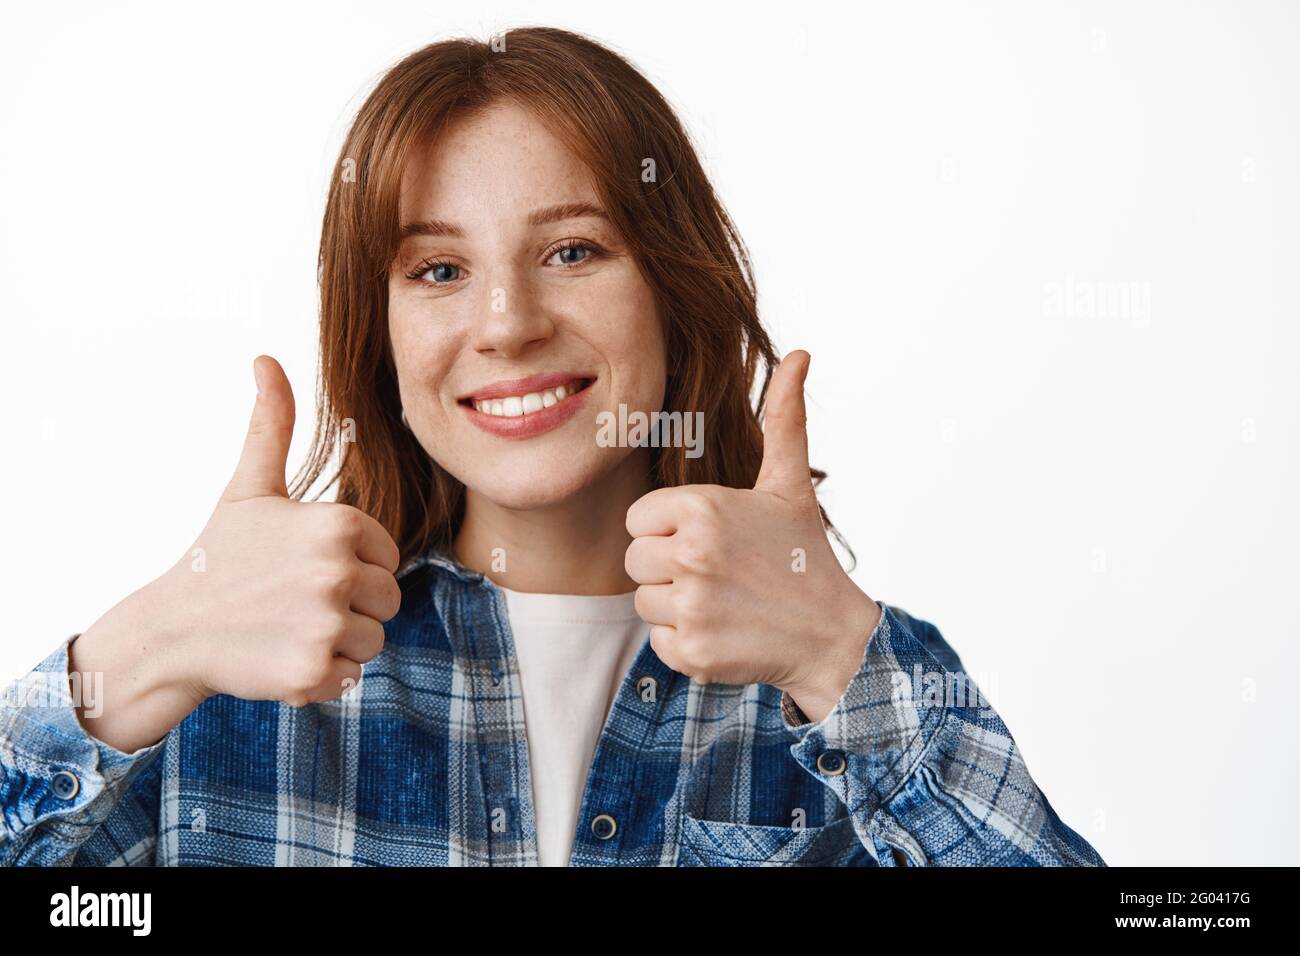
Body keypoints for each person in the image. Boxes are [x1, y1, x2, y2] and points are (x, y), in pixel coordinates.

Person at [0, 26, 1104, 867]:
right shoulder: (224, 681)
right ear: (376, 336)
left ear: (674, 286)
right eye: (437, 270)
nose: (507, 323)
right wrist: (136, 652)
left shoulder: (847, 682)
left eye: (573, 250)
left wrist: (840, 659)